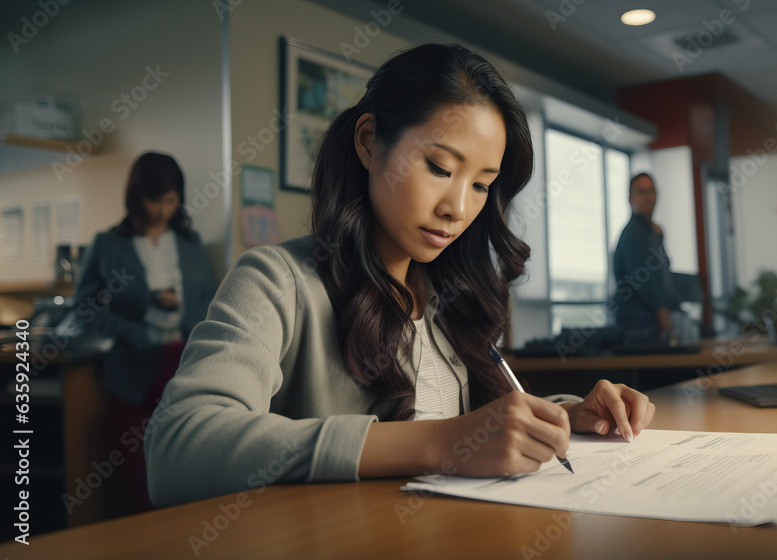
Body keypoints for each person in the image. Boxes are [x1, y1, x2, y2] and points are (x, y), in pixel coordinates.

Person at [144, 43, 656, 507]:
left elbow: (476, 431)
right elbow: (178, 449)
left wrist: (567, 419)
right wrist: (441, 443)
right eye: (439, 167)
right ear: (369, 142)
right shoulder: (277, 281)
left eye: (481, 185)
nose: (458, 208)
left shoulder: (448, 298)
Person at [75, 151, 216, 512]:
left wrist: (181, 310)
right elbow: (86, 308)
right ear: (136, 198)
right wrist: (137, 330)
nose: (161, 210)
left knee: (189, 471)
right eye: (154, 200)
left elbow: (212, 301)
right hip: (133, 372)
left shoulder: (191, 244)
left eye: (170, 201)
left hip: (185, 366)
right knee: (139, 481)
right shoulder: (107, 246)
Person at [612, 172, 684, 338]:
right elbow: (645, 282)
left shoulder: (651, 232)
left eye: (651, 191)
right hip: (637, 324)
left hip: (649, 320)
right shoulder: (634, 233)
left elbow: (662, 276)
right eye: (641, 192)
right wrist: (663, 315)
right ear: (630, 199)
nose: (648, 197)